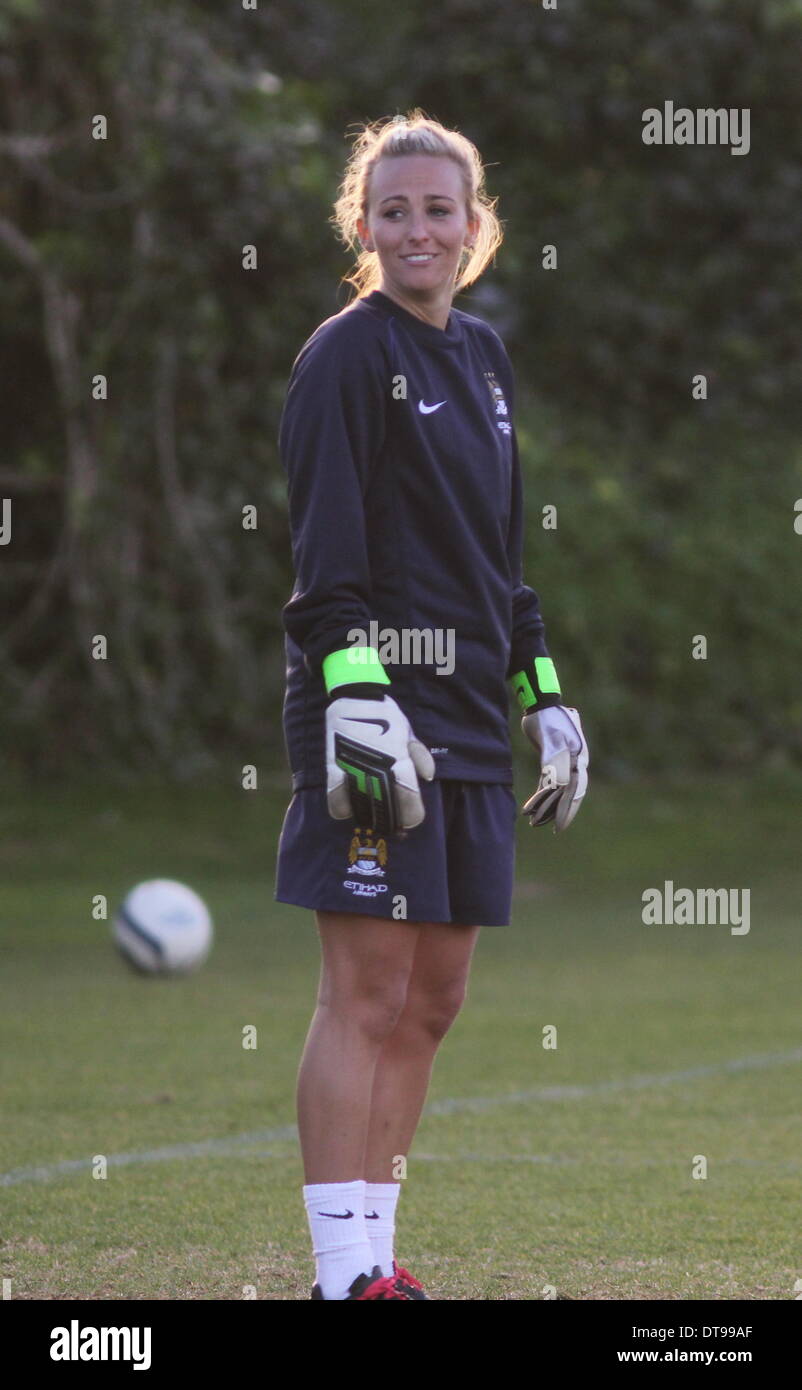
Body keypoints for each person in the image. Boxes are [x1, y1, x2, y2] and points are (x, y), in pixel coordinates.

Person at [274, 109, 589, 1301]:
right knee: (364, 991)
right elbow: (325, 552)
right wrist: (355, 693)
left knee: (433, 999)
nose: (417, 228)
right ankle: (338, 1273)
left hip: (463, 724)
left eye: (438, 209)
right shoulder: (344, 355)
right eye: (392, 210)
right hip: (372, 720)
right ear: (364, 226)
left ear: (474, 226)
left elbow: (500, 560)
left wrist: (542, 693)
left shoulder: (486, 356)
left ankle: (380, 1260)